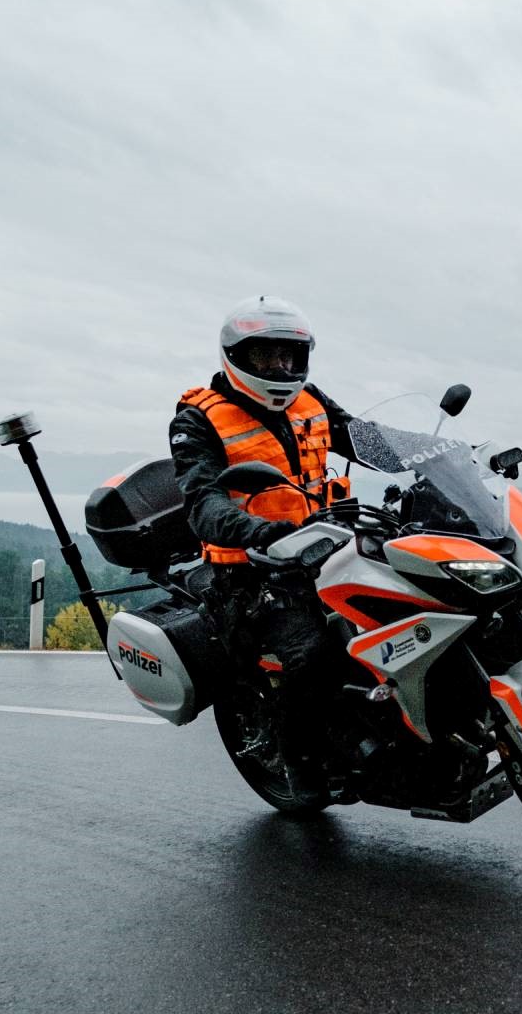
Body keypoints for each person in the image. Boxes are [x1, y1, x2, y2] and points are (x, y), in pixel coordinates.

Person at [169, 295, 355, 802]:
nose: (280, 367)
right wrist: (259, 531)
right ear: (236, 355)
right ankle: (302, 763)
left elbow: (366, 440)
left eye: (290, 356)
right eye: (266, 356)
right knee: (314, 653)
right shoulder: (197, 420)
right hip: (250, 573)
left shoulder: (310, 400)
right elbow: (202, 504)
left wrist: (442, 452)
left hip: (325, 551)